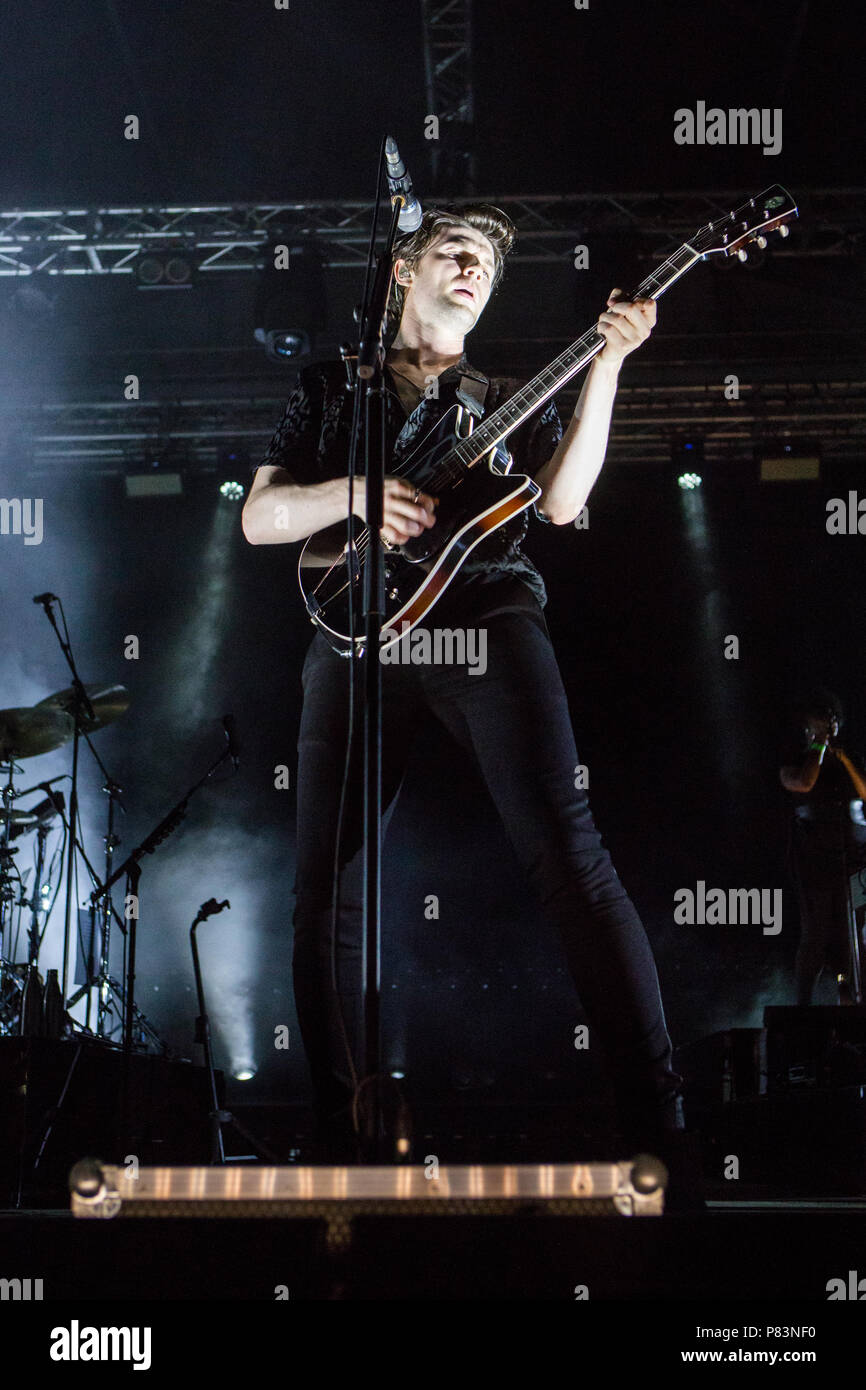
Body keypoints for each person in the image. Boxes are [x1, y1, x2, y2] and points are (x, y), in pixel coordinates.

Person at [242, 204, 685, 1163]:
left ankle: (656, 1130)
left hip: (485, 615)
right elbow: (262, 519)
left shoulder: (506, 395)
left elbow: (565, 503)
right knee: (327, 892)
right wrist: (355, 495)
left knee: (572, 861)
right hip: (358, 633)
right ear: (402, 271)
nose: (474, 266)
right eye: (453, 250)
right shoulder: (331, 387)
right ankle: (336, 1139)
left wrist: (606, 364)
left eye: (485, 258)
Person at [780, 690, 866, 1004]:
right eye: (822, 716)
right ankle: (803, 1005)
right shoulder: (797, 758)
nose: (830, 722)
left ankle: (853, 1003)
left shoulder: (851, 759)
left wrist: (843, 759)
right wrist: (818, 745)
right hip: (814, 862)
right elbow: (803, 783)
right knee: (816, 934)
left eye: (832, 716)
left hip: (855, 861)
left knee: (855, 936)